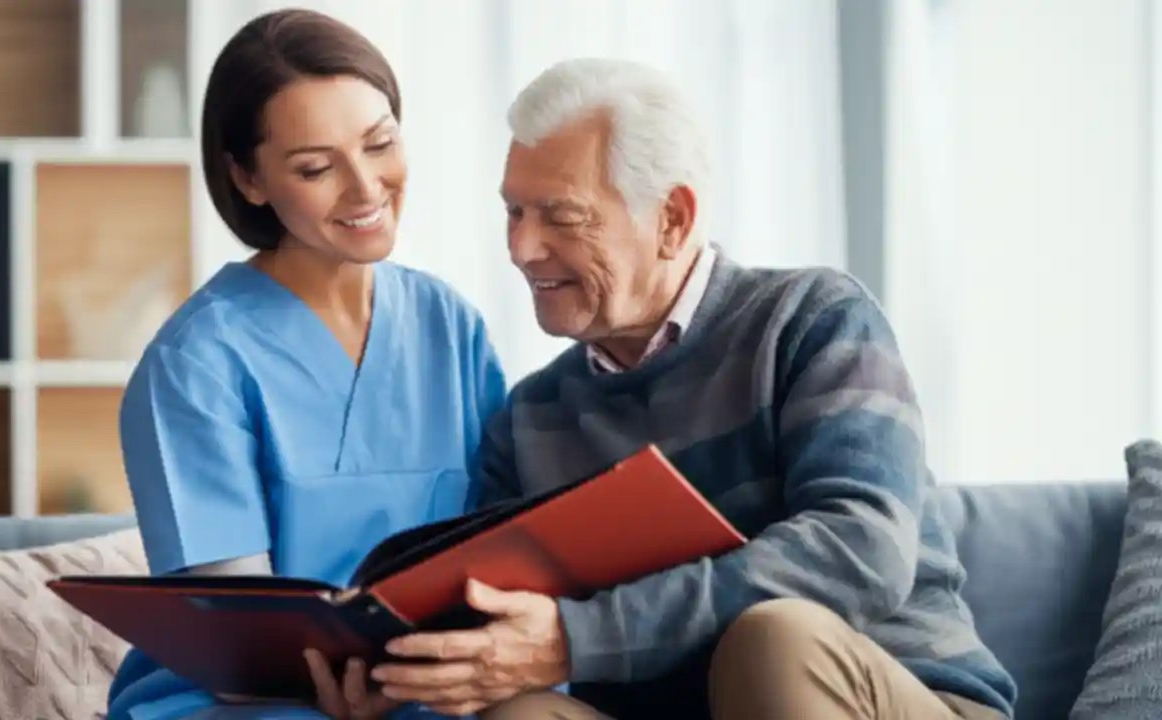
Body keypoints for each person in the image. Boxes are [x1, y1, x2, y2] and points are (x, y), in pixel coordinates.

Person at [367, 58, 1020, 720]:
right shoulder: (534, 416)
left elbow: (863, 549)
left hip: (885, 693)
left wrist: (580, 639)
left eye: (560, 216)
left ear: (673, 218)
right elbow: (496, 631)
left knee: (774, 638)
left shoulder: (812, 319)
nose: (523, 247)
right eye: (513, 211)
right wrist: (389, 678)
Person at [104, 9, 527, 720]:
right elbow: (240, 649)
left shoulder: (448, 326)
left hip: (434, 691)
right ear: (248, 179)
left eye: (380, 143)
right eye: (315, 167)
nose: (365, 188)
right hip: (258, 704)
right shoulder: (196, 363)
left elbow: (505, 546)